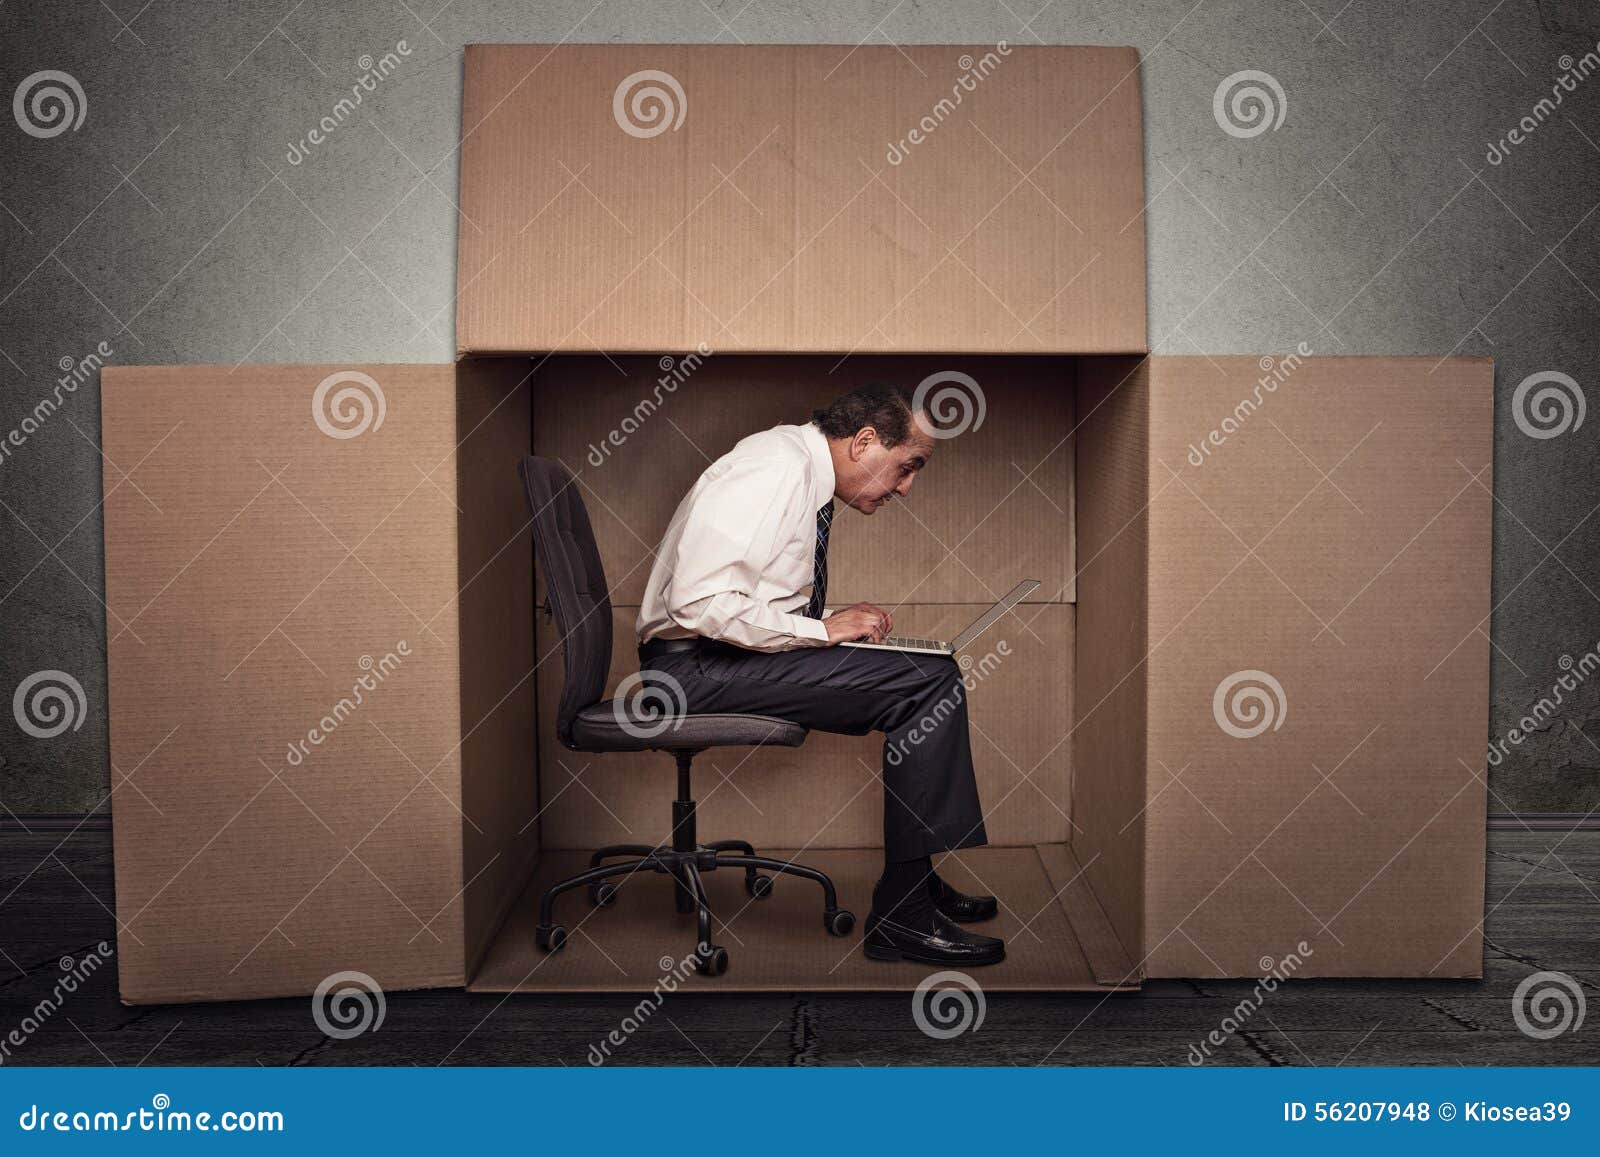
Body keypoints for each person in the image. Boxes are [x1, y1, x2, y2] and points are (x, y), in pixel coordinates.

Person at [636, 384, 1004, 966]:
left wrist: (832, 620)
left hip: (717, 658)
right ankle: (903, 914)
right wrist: (822, 633)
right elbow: (697, 603)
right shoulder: (773, 468)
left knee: (931, 670)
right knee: (925, 685)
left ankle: (915, 885)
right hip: (689, 671)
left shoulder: (797, 470)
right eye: (908, 468)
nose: (907, 488)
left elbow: (746, 596)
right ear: (863, 442)